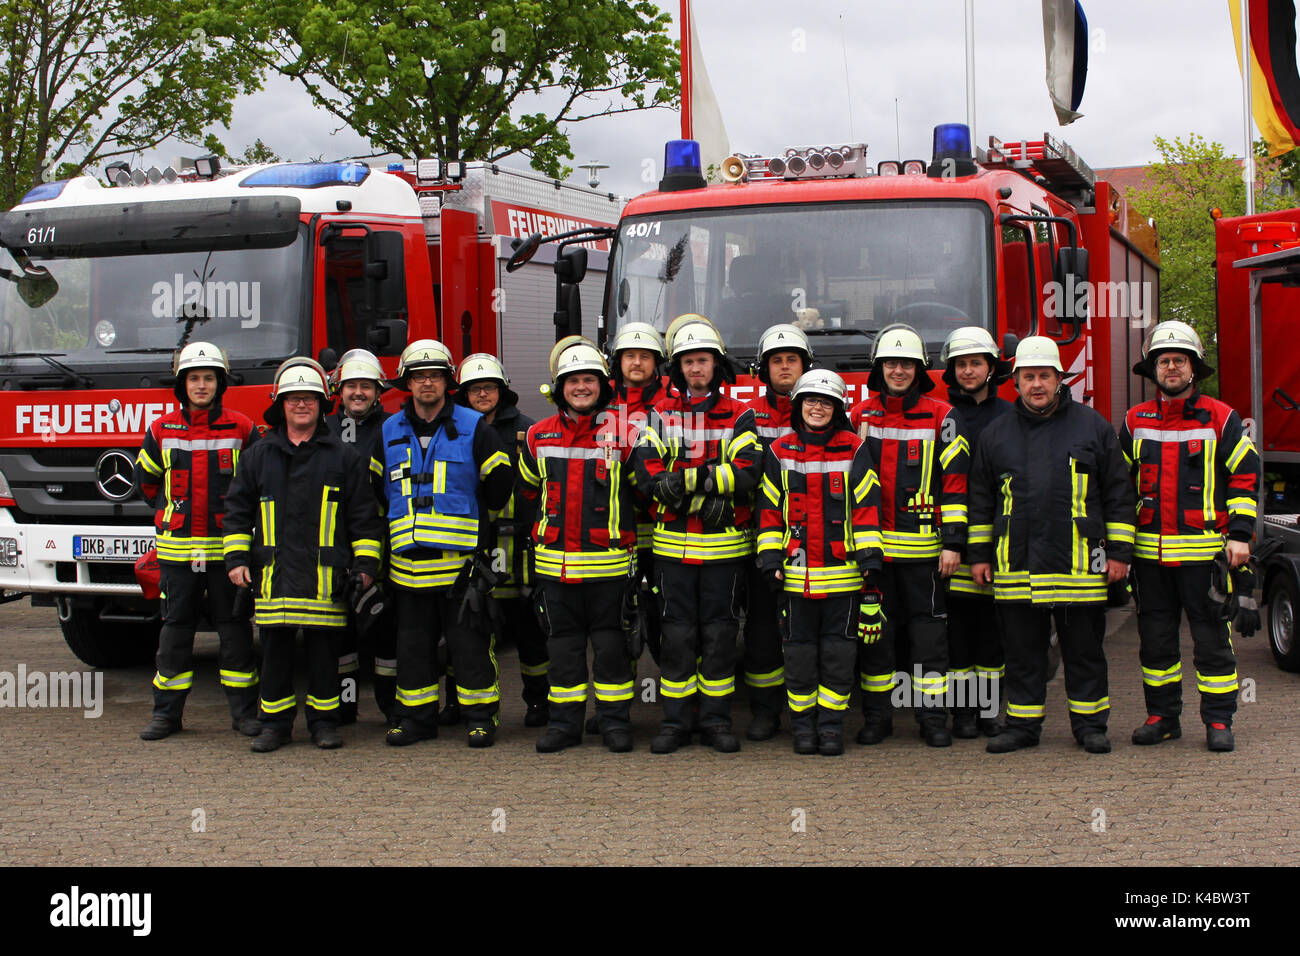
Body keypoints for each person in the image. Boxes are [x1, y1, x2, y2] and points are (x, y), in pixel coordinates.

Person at [968, 337, 1135, 755]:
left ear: (1060, 378)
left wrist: (1119, 553)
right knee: (1024, 654)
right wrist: (979, 555)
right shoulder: (996, 434)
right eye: (1029, 376)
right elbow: (980, 500)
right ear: (1016, 382)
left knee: (1084, 652)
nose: (1037, 384)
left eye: (1045, 375)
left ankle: (1090, 726)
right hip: (1015, 564)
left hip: (1078, 564)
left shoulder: (1092, 426)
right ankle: (1023, 727)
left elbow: (1117, 491)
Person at [222, 358, 384, 752]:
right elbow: (237, 512)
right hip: (274, 577)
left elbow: (363, 519)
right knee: (275, 658)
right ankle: (274, 726)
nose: (301, 406)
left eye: (309, 399)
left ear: (321, 405)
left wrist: (364, 568)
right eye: (293, 399)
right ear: (280, 405)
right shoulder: (259, 455)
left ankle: (323, 724)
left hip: (325, 580)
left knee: (323, 657)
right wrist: (237, 560)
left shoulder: (344, 458)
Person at [1119, 320, 1261, 752]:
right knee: (1156, 644)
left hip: (1205, 557)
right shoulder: (1133, 420)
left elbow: (1245, 477)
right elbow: (1118, 487)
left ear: (1194, 368)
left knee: (1212, 642)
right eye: (1164, 361)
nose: (1172, 367)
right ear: (1153, 369)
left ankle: (1219, 722)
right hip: (1150, 560)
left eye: (1180, 360)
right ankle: (1163, 717)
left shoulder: (1223, 418)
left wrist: (1240, 535)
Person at [633, 315, 763, 753]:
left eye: (702, 360)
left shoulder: (740, 415)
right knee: (677, 636)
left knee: (720, 636)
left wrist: (688, 480)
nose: (695, 368)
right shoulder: (658, 415)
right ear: (678, 368)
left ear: (716, 365)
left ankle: (715, 722)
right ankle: (674, 723)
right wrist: (707, 495)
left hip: (725, 553)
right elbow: (649, 477)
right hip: (673, 553)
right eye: (687, 361)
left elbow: (747, 473)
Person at [380, 339, 514, 748]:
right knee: (413, 648)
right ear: (407, 382)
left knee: (469, 646)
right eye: (419, 377)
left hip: (459, 567)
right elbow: (373, 489)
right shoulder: (388, 430)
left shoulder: (475, 426)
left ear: (447, 382)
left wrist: (485, 548)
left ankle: (480, 718)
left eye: (435, 376)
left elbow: (499, 486)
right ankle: (417, 719)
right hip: (407, 567)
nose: (427, 384)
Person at [517, 338, 640, 752]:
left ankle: (614, 723)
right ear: (559, 387)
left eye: (588, 380)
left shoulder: (627, 436)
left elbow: (642, 494)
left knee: (611, 649)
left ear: (602, 386)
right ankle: (564, 724)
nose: (581, 387)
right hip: (555, 569)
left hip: (608, 570)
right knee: (563, 649)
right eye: (572, 381)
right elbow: (529, 496)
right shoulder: (537, 436)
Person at [848, 323, 968, 748]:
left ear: (920, 370)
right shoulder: (860, 415)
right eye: (891, 364)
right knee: (876, 636)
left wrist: (953, 542)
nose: (898, 371)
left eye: (907, 364)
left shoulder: (943, 416)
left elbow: (955, 483)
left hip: (925, 554)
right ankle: (878, 719)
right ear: (879, 369)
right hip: (874, 553)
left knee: (929, 636)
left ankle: (934, 719)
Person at [136, 342, 261, 741]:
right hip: (176, 554)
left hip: (228, 555)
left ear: (220, 382)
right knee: (175, 633)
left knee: (235, 632)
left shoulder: (243, 429)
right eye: (194, 378)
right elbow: (147, 484)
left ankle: (244, 715)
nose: (202, 385)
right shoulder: (161, 429)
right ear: (182, 384)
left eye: (209, 378)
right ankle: (166, 716)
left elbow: (256, 487)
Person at [756, 369, 882, 755]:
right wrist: (769, 557)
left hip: (843, 581)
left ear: (837, 408)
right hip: (795, 581)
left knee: (839, 656)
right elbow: (769, 510)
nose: (817, 407)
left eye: (825, 402)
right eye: (810, 400)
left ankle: (829, 728)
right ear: (798, 406)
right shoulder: (779, 451)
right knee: (797, 656)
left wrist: (870, 561)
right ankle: (803, 729)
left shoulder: (854, 448)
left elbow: (866, 510)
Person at [448, 352, 549, 728]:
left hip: (521, 548)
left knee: (531, 635)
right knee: (469, 632)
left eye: (488, 387)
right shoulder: (455, 430)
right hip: (478, 547)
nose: (482, 395)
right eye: (475, 389)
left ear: (501, 391)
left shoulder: (527, 430)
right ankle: (460, 704)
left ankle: (539, 703)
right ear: (465, 394)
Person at [738, 323, 813, 740]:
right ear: (764, 370)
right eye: (777, 361)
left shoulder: (824, 408)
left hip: (815, 543)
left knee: (808, 629)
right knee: (762, 628)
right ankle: (765, 713)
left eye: (792, 360)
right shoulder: (749, 416)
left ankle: (812, 709)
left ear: (805, 365)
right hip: (763, 538)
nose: (785, 367)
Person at [938, 327, 1014, 738]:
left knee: (992, 633)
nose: (968, 371)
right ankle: (962, 714)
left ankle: (988, 711)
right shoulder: (941, 414)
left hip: (996, 538)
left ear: (991, 368)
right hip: (951, 540)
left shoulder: (1009, 416)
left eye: (976, 363)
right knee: (958, 634)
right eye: (961, 364)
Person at [325, 348, 396, 725]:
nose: (358, 393)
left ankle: (389, 707)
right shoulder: (324, 429)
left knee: (386, 631)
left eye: (365, 386)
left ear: (378, 390)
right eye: (351, 385)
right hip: (335, 543)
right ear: (339, 389)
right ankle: (345, 706)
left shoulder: (394, 428)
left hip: (382, 540)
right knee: (342, 633)